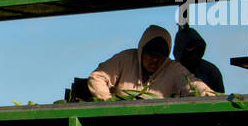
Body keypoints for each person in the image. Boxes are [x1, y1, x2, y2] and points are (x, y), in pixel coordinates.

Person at [87, 25, 217, 101]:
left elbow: (191, 84)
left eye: (160, 56)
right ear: (142, 51)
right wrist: (108, 103)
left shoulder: (173, 69)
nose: (155, 60)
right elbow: (97, 77)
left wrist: (208, 95)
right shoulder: (125, 59)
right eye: (150, 54)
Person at [173, 25, 225, 93]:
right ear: (181, 51)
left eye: (199, 50)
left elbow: (220, 98)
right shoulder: (168, 72)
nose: (195, 55)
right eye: (191, 51)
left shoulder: (210, 71)